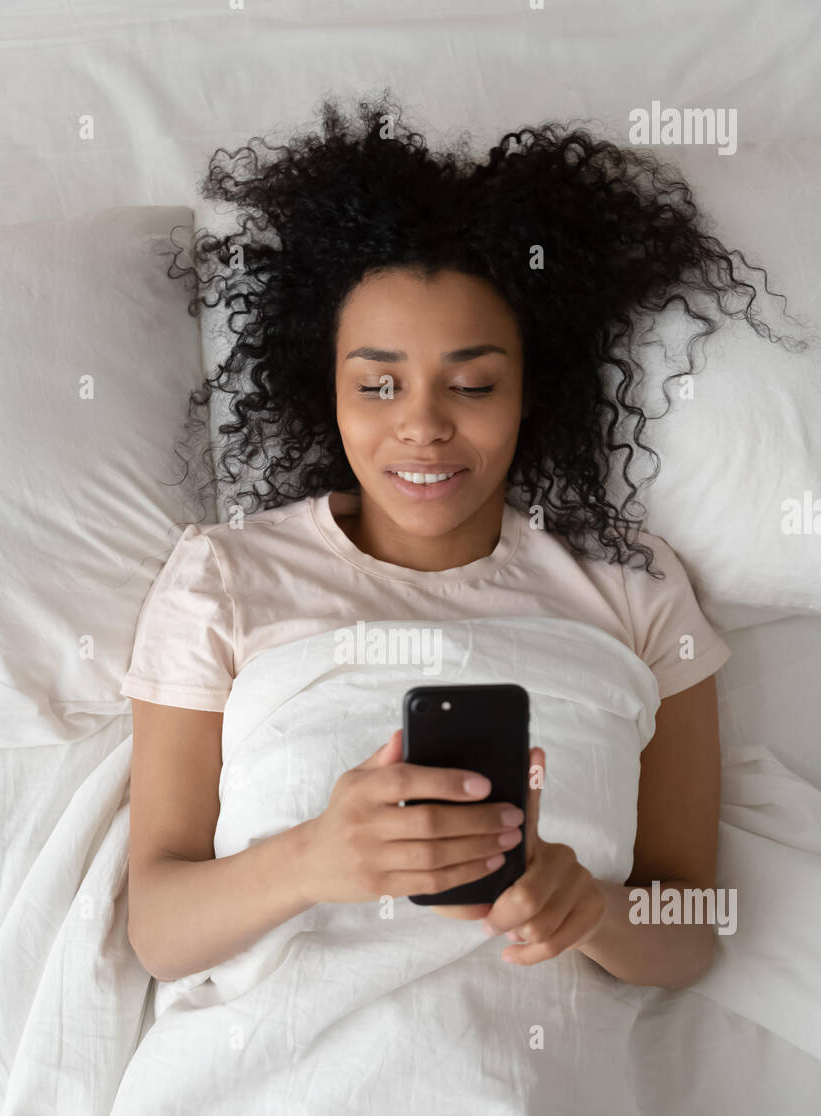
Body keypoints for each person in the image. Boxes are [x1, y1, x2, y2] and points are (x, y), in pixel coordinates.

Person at [120, 93, 796, 988]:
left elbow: (690, 927)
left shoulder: (635, 588)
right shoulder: (224, 577)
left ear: (532, 393)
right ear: (322, 390)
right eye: (378, 387)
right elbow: (158, 930)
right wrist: (312, 861)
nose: (423, 427)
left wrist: (593, 907)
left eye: (472, 386)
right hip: (253, 1103)